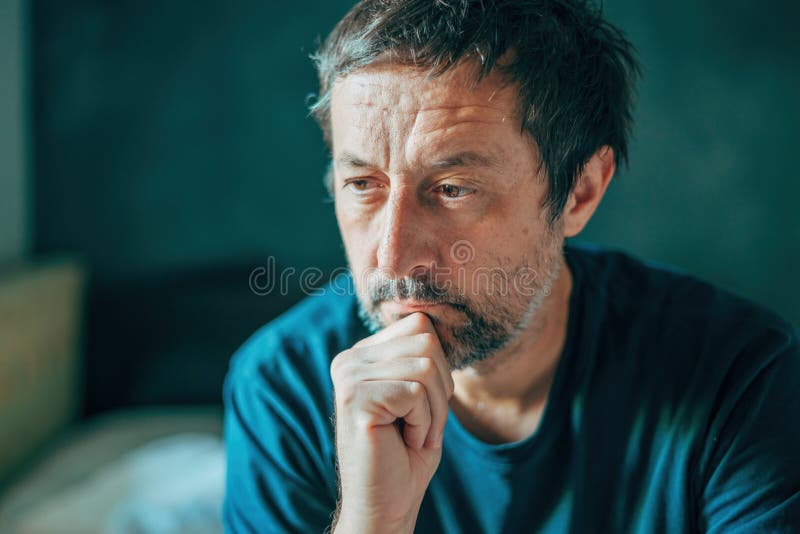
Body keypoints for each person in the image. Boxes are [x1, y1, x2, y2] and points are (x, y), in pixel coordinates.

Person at [222, 1, 800, 532]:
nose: (392, 258)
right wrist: (373, 520)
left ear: (579, 193)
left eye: (453, 189)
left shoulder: (738, 376)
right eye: (362, 184)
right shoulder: (284, 388)